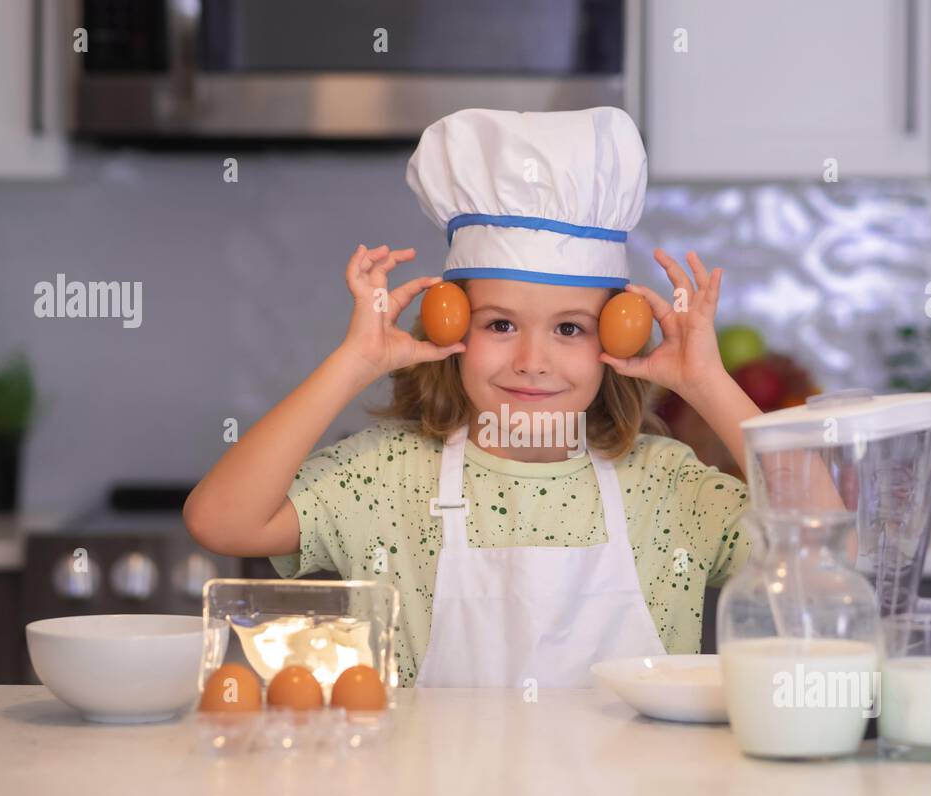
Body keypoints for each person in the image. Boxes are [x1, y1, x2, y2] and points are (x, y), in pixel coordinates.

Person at [186, 107, 799, 688]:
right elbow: (221, 521)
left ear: (615, 337)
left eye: (569, 329)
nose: (532, 362)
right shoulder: (388, 476)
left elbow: (832, 545)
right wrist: (353, 364)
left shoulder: (666, 488)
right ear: (452, 329)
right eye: (500, 324)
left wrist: (708, 384)